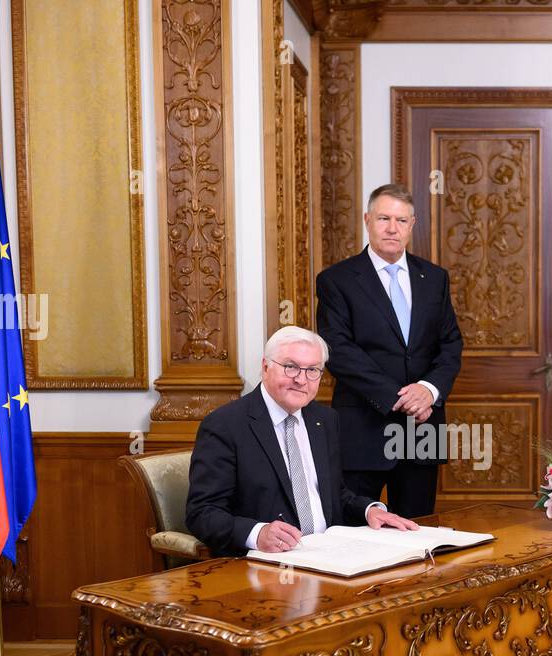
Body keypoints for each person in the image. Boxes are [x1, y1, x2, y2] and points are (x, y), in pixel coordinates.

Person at [185, 326, 418, 557]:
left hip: (330, 555)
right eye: (290, 367)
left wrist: (368, 511)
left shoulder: (324, 419)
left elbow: (335, 495)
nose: (301, 379)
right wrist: (257, 534)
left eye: (312, 370)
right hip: (267, 563)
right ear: (265, 366)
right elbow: (202, 512)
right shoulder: (225, 425)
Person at [316, 183, 463, 518]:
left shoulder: (435, 278)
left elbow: (451, 343)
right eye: (384, 218)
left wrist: (428, 391)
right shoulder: (336, 280)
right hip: (362, 428)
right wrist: (400, 398)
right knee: (354, 533)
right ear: (367, 220)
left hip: (422, 429)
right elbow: (338, 350)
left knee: (418, 529)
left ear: (412, 226)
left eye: (401, 220)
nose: (392, 228)